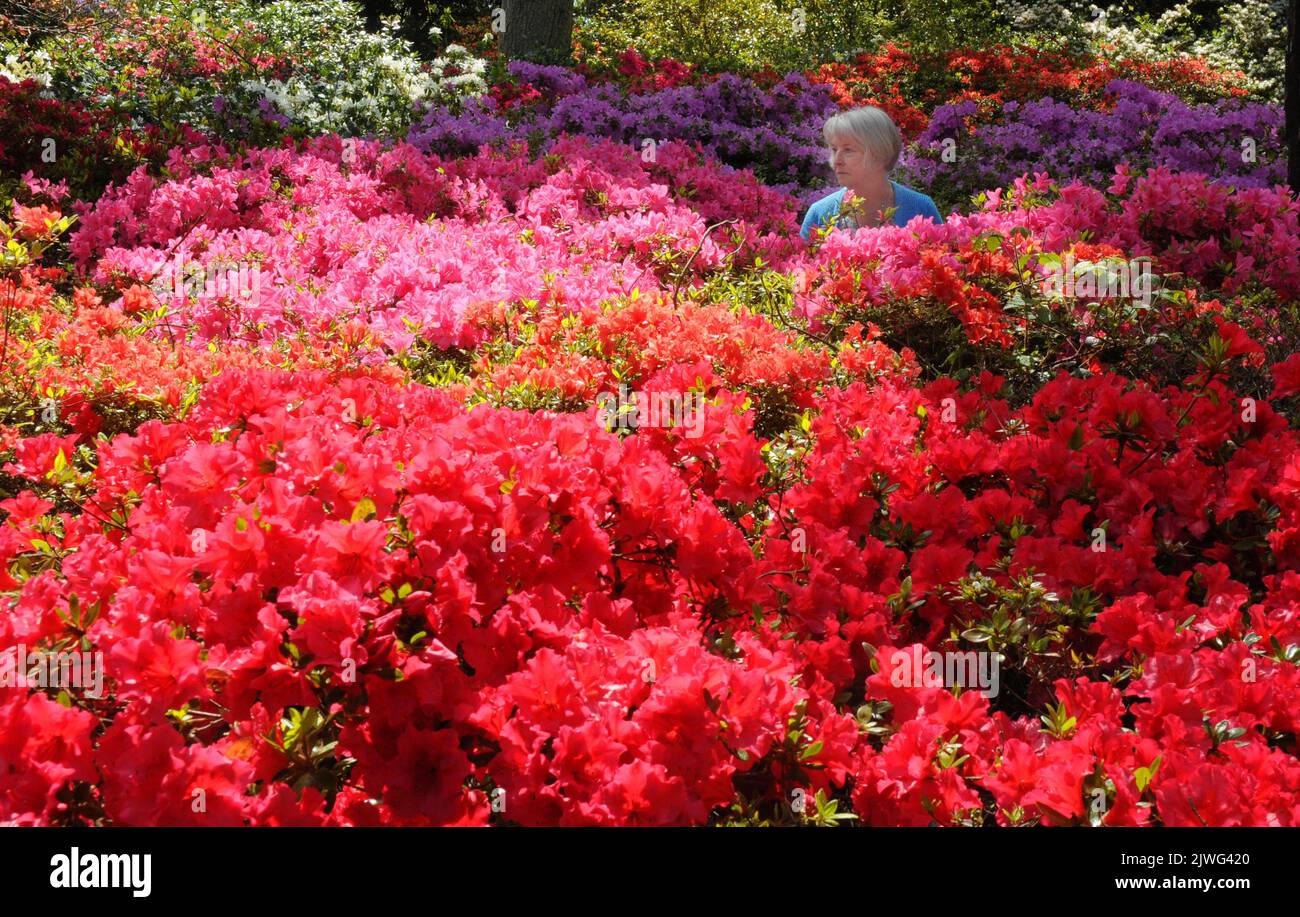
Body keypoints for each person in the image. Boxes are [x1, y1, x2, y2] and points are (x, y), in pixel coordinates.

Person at [800, 106, 943, 240]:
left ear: (879, 154)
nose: (836, 160)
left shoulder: (921, 208)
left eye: (848, 150)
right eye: (834, 149)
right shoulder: (819, 214)